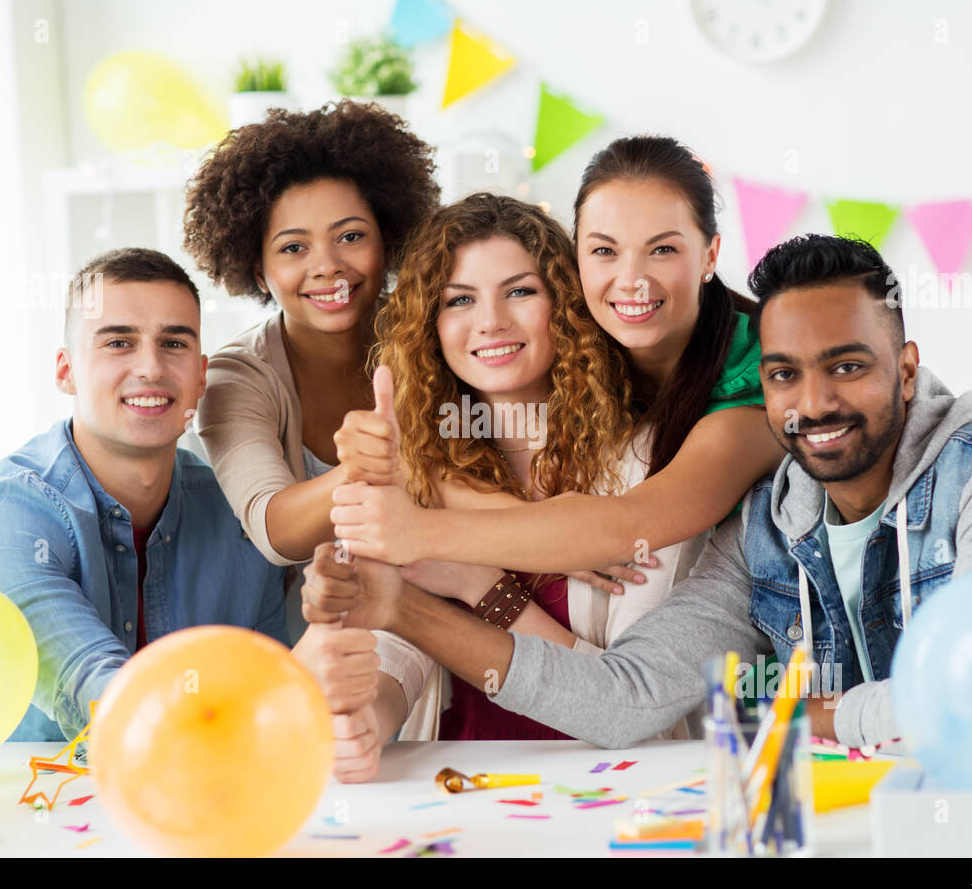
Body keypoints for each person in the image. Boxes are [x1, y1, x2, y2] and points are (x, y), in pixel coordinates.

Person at [304, 234, 972, 750]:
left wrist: (804, 718)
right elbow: (628, 701)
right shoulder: (768, 524)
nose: (815, 402)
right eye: (785, 375)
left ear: (905, 368)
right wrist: (399, 608)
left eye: (849, 366)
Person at [325, 194, 718, 776]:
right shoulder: (422, 466)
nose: (491, 321)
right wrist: (366, 723)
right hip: (459, 784)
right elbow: (399, 639)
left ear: (566, 304)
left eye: (520, 291)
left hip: (610, 784)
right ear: (429, 325)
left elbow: (636, 702)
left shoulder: (645, 466)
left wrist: (480, 584)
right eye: (459, 300)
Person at [329, 135, 783, 583]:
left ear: (710, 255)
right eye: (605, 251)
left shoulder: (764, 388)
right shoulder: (580, 337)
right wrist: (395, 456)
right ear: (574, 263)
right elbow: (462, 443)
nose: (631, 281)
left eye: (663, 249)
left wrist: (417, 530)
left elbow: (627, 527)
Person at [0, 249, 288, 740]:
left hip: (208, 802)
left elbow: (273, 702)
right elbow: (99, 692)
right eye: (119, 342)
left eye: (174, 343)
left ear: (201, 374)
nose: (150, 367)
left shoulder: (238, 518)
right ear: (66, 371)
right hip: (33, 810)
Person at [182, 99, 439, 648]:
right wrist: (362, 468)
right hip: (314, 655)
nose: (326, 265)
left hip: (443, 630)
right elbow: (276, 531)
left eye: (350, 236)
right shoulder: (237, 377)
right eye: (294, 247)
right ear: (259, 268)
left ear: (387, 239)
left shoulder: (441, 336)